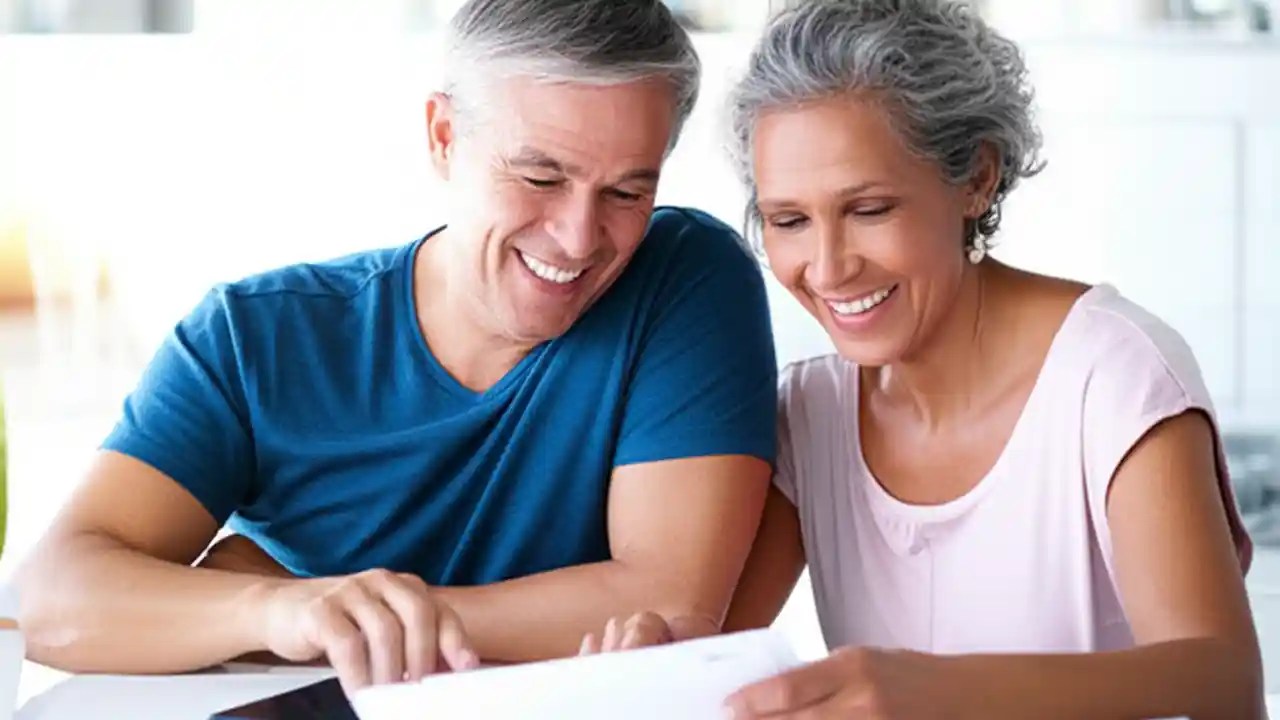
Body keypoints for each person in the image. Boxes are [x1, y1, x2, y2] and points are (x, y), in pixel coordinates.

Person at [14, 0, 778, 695]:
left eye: (625, 193)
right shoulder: (253, 338)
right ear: (444, 138)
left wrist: (331, 622)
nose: (580, 239)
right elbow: (52, 601)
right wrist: (279, 611)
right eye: (540, 177)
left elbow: (670, 602)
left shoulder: (681, 281)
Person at [587, 1, 1265, 717]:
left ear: (976, 177)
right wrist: (656, 662)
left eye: (870, 209)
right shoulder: (811, 416)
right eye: (789, 221)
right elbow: (717, 659)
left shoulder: (1112, 375)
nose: (828, 266)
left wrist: (939, 689)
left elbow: (1224, 685)